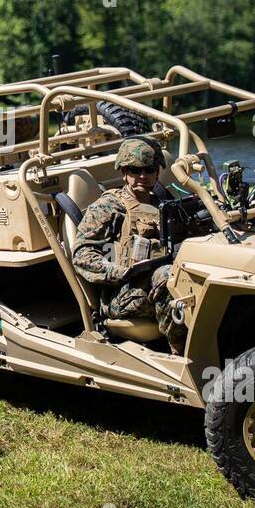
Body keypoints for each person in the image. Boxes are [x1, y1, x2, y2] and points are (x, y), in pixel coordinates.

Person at [71, 137, 182, 351]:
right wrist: (119, 271)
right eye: (134, 170)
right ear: (124, 172)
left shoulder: (163, 204)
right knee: (168, 277)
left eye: (149, 170)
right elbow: (82, 255)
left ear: (157, 173)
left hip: (154, 286)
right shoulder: (109, 207)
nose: (142, 176)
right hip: (122, 294)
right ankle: (180, 352)